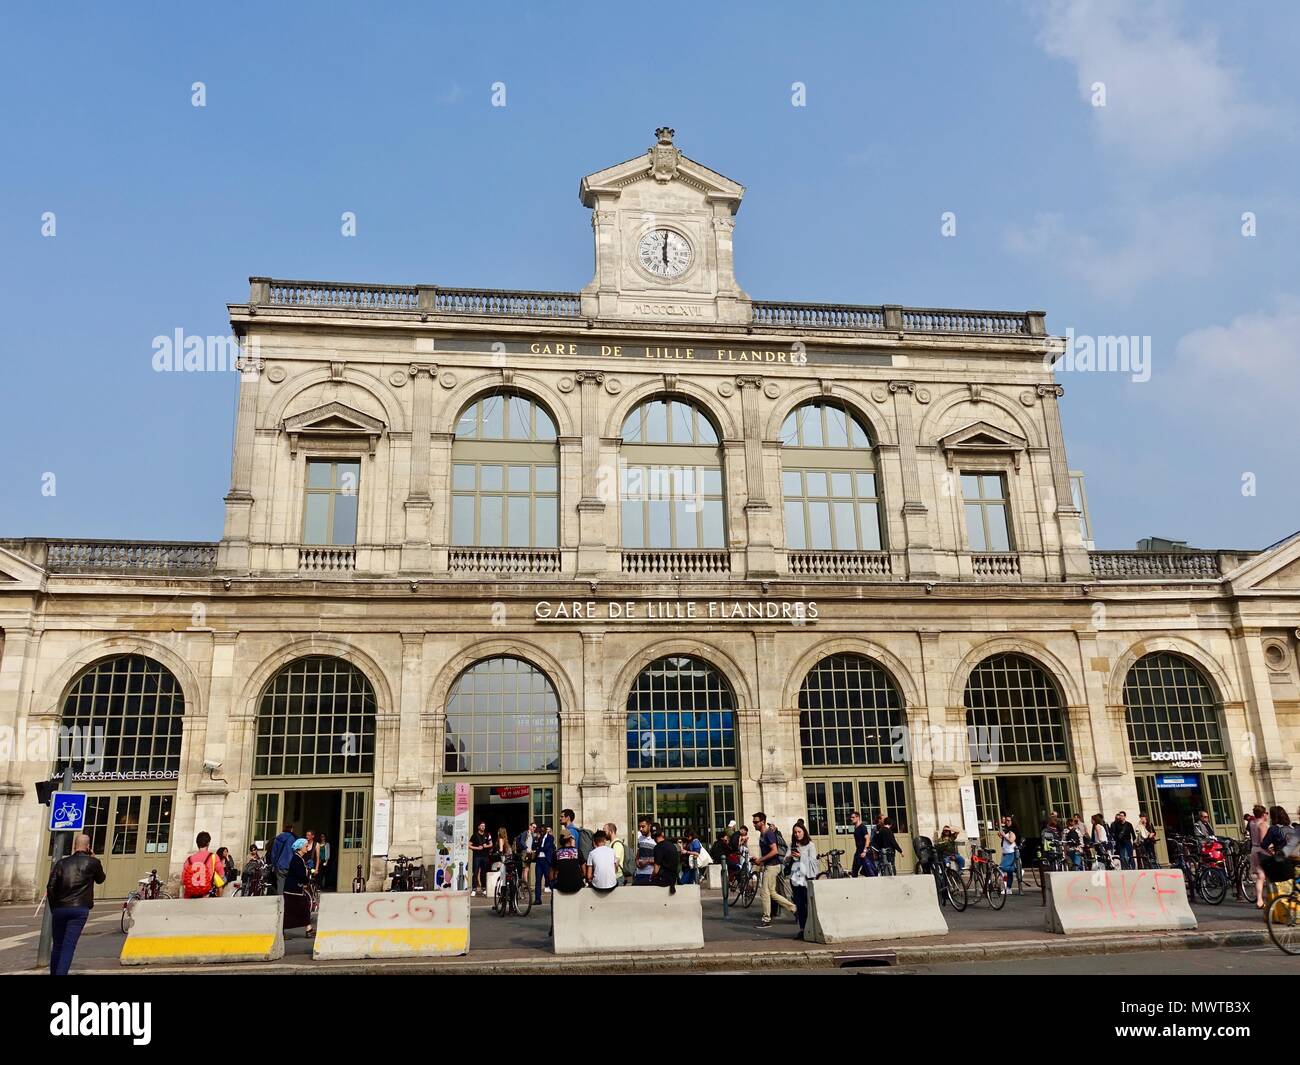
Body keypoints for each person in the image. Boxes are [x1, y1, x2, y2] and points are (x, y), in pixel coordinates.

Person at [46, 832, 105, 976]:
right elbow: (101, 879)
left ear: (73, 846)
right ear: (88, 847)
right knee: (68, 946)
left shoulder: (61, 863)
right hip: (79, 908)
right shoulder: (92, 863)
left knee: (58, 946)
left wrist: (54, 907)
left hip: (60, 908)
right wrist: (95, 858)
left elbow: (50, 887)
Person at [750, 811, 796, 927]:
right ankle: (794, 908)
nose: (753, 824)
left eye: (756, 822)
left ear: (763, 822)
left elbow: (774, 851)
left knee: (764, 893)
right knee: (771, 893)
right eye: (753, 822)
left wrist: (760, 860)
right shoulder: (763, 834)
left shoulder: (768, 834)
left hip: (772, 866)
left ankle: (766, 919)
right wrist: (759, 860)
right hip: (769, 865)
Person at [786, 820, 818, 940]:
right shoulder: (792, 845)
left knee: (808, 904)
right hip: (795, 878)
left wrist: (801, 856)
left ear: (804, 832)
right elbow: (785, 861)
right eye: (795, 832)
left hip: (806, 878)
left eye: (799, 832)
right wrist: (789, 857)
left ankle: (811, 928)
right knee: (799, 905)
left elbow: (814, 862)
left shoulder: (810, 845)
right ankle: (802, 929)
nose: (797, 834)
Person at [282, 838, 314, 937]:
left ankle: (309, 928)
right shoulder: (297, 859)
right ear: (300, 847)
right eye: (305, 846)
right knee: (291, 911)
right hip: (293, 890)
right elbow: (300, 874)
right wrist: (307, 880)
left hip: (296, 889)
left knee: (303, 908)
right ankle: (282, 931)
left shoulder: (299, 859)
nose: (307, 847)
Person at [182, 831, 225, 898]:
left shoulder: (189, 859)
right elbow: (221, 874)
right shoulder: (214, 857)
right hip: (207, 895)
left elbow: (183, 880)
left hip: (191, 896)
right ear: (208, 843)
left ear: (197, 843)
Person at [1248, 805, 1269, 908]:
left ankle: (1259, 900)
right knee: (1266, 876)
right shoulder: (1262, 825)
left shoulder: (1252, 823)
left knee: (1260, 876)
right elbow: (1263, 841)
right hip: (1261, 851)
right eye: (1266, 813)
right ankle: (1268, 898)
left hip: (1254, 849)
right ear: (1263, 814)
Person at [650, 823, 679, 893]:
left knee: (639, 883)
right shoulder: (672, 845)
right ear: (662, 833)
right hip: (674, 879)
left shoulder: (657, 848)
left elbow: (656, 870)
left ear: (653, 837)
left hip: (664, 880)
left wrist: (651, 876)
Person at [269, 822, 295, 895]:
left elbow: (274, 854)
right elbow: (294, 852)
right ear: (291, 829)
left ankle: (280, 901)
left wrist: (274, 864)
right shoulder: (292, 838)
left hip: (280, 865)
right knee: (290, 885)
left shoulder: (278, 838)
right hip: (290, 865)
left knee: (280, 885)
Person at [532, 824, 555, 904]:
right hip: (539, 860)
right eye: (540, 831)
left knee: (549, 880)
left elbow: (546, 848)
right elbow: (533, 847)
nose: (541, 832)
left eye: (542, 831)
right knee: (537, 881)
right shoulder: (537, 838)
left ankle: (555, 897)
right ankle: (537, 899)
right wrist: (536, 840)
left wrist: (539, 848)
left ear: (546, 830)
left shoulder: (550, 838)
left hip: (546, 861)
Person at [469, 821, 492, 897]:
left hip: (485, 856)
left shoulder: (487, 835)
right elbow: (469, 845)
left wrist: (486, 846)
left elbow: (491, 844)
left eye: (484, 826)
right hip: (477, 856)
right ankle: (474, 889)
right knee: (475, 872)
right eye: (482, 826)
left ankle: (484, 888)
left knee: (483, 873)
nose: (483, 827)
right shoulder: (475, 835)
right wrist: (477, 848)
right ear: (478, 827)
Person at [997, 817, 1018, 888]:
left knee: (1001, 867)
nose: (1007, 822)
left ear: (1012, 821)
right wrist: (1001, 836)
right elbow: (1006, 840)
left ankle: (1017, 870)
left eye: (1008, 820)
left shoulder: (1012, 830)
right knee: (1009, 872)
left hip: (1010, 852)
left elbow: (1011, 840)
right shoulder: (1007, 830)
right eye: (1006, 820)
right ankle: (1008, 888)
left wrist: (1004, 836)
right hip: (1006, 852)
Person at [849, 810, 871, 877]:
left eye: (853, 817)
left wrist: (865, 851)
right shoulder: (856, 827)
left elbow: (867, 839)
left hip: (863, 852)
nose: (851, 819)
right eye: (851, 817)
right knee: (855, 871)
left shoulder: (862, 827)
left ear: (858, 817)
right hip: (858, 851)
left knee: (867, 871)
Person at [634, 818, 655, 886]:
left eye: (643, 826)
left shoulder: (655, 839)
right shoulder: (640, 838)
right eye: (639, 827)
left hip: (650, 873)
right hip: (639, 873)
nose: (640, 829)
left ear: (649, 826)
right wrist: (637, 861)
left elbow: (660, 859)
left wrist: (647, 861)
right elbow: (638, 852)